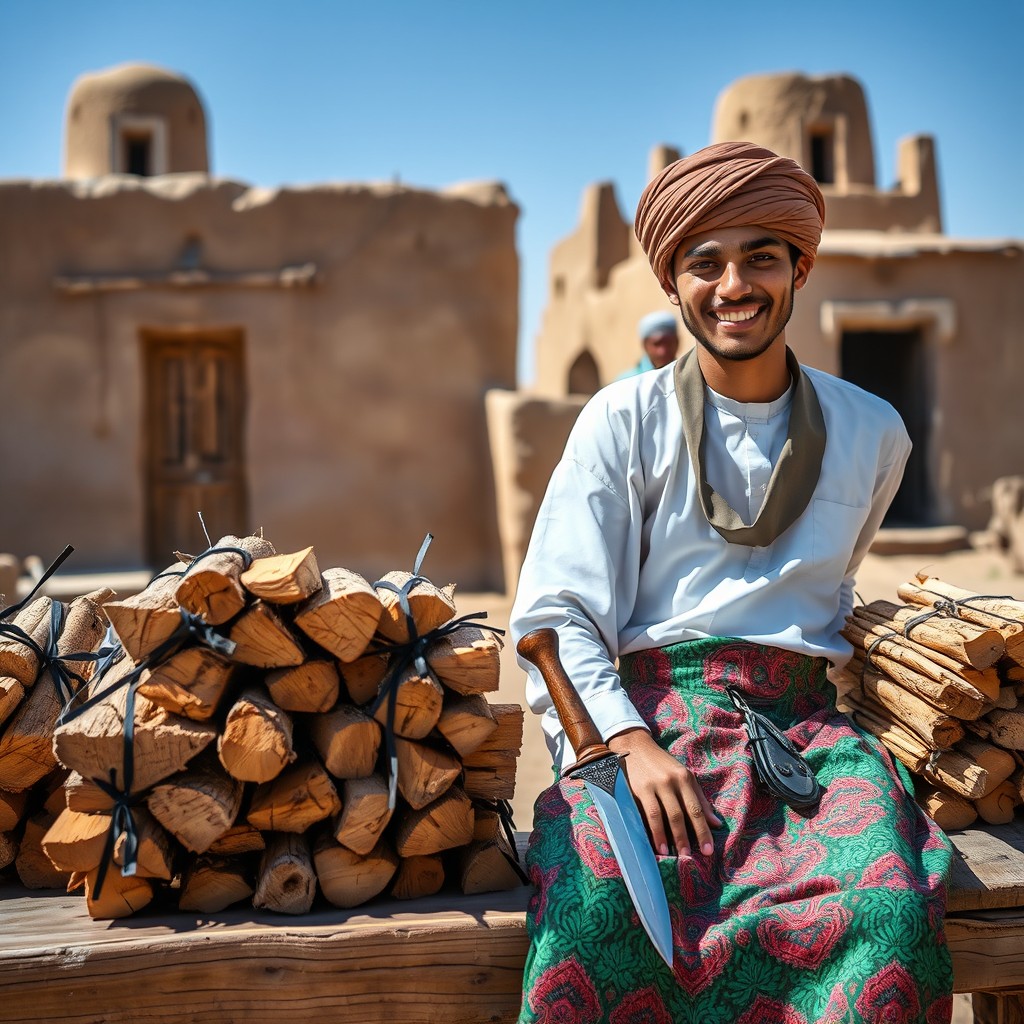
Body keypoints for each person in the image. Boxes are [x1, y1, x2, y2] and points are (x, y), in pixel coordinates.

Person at [510, 141, 953, 1024]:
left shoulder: (875, 433)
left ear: (802, 266)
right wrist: (630, 746)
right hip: (640, 723)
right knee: (601, 913)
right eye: (704, 263)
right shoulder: (621, 420)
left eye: (761, 257)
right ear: (672, 284)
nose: (733, 285)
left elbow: (832, 587)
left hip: (806, 738)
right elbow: (556, 618)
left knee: (889, 911)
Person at [615, 310, 680, 380]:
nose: (663, 351)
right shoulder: (627, 382)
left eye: (668, 342)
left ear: (677, 342)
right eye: (657, 344)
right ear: (645, 345)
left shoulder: (686, 376)